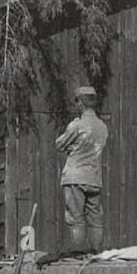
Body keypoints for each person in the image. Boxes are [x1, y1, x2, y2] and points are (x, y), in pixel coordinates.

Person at [55, 85, 109, 252]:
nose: (75, 105)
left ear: (82, 103)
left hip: (75, 176)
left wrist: (72, 147)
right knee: (95, 219)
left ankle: (78, 253)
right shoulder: (103, 126)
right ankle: (96, 254)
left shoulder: (77, 125)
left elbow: (59, 144)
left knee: (76, 218)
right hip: (94, 178)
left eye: (77, 101)